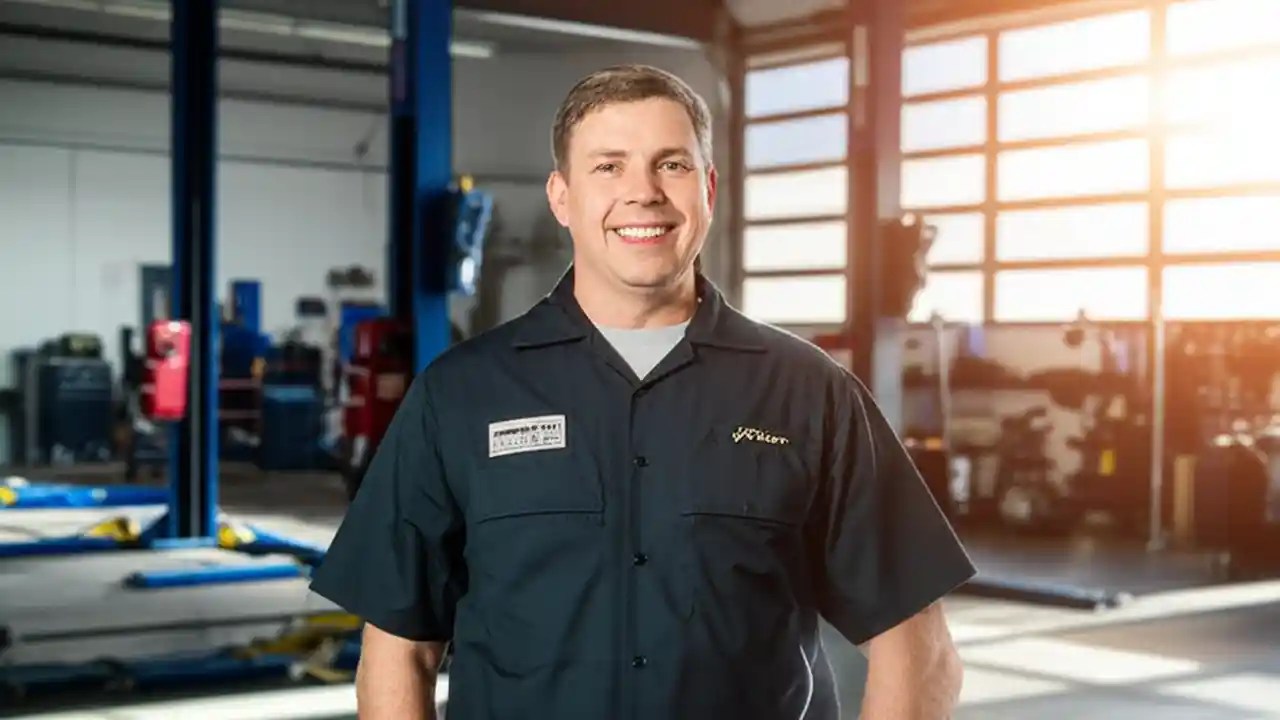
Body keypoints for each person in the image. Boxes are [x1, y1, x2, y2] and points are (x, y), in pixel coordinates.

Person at [310, 63, 976, 720]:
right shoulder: (460, 396)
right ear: (561, 197)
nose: (644, 193)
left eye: (672, 165)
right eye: (608, 166)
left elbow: (918, 648)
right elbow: (400, 651)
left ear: (709, 188)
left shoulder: (810, 394)